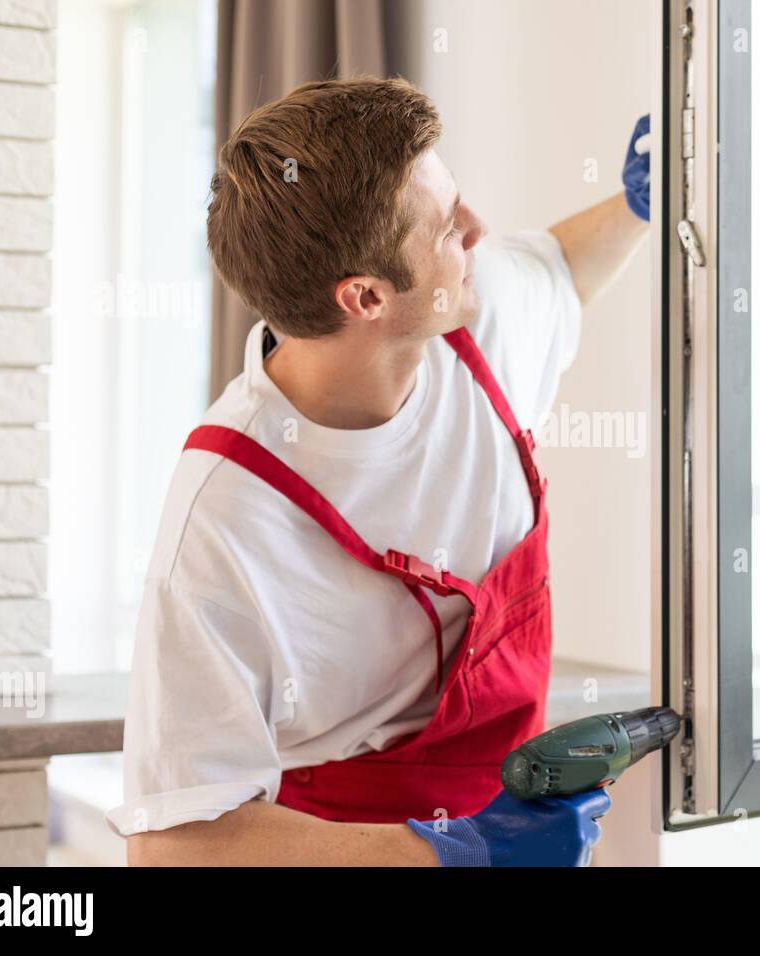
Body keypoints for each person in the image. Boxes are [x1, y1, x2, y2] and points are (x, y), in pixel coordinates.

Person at [104, 76, 650, 866]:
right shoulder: (224, 519)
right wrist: (448, 855)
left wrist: (640, 201)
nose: (478, 229)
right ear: (364, 296)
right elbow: (173, 845)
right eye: (446, 226)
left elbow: (562, 269)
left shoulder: (479, 317)